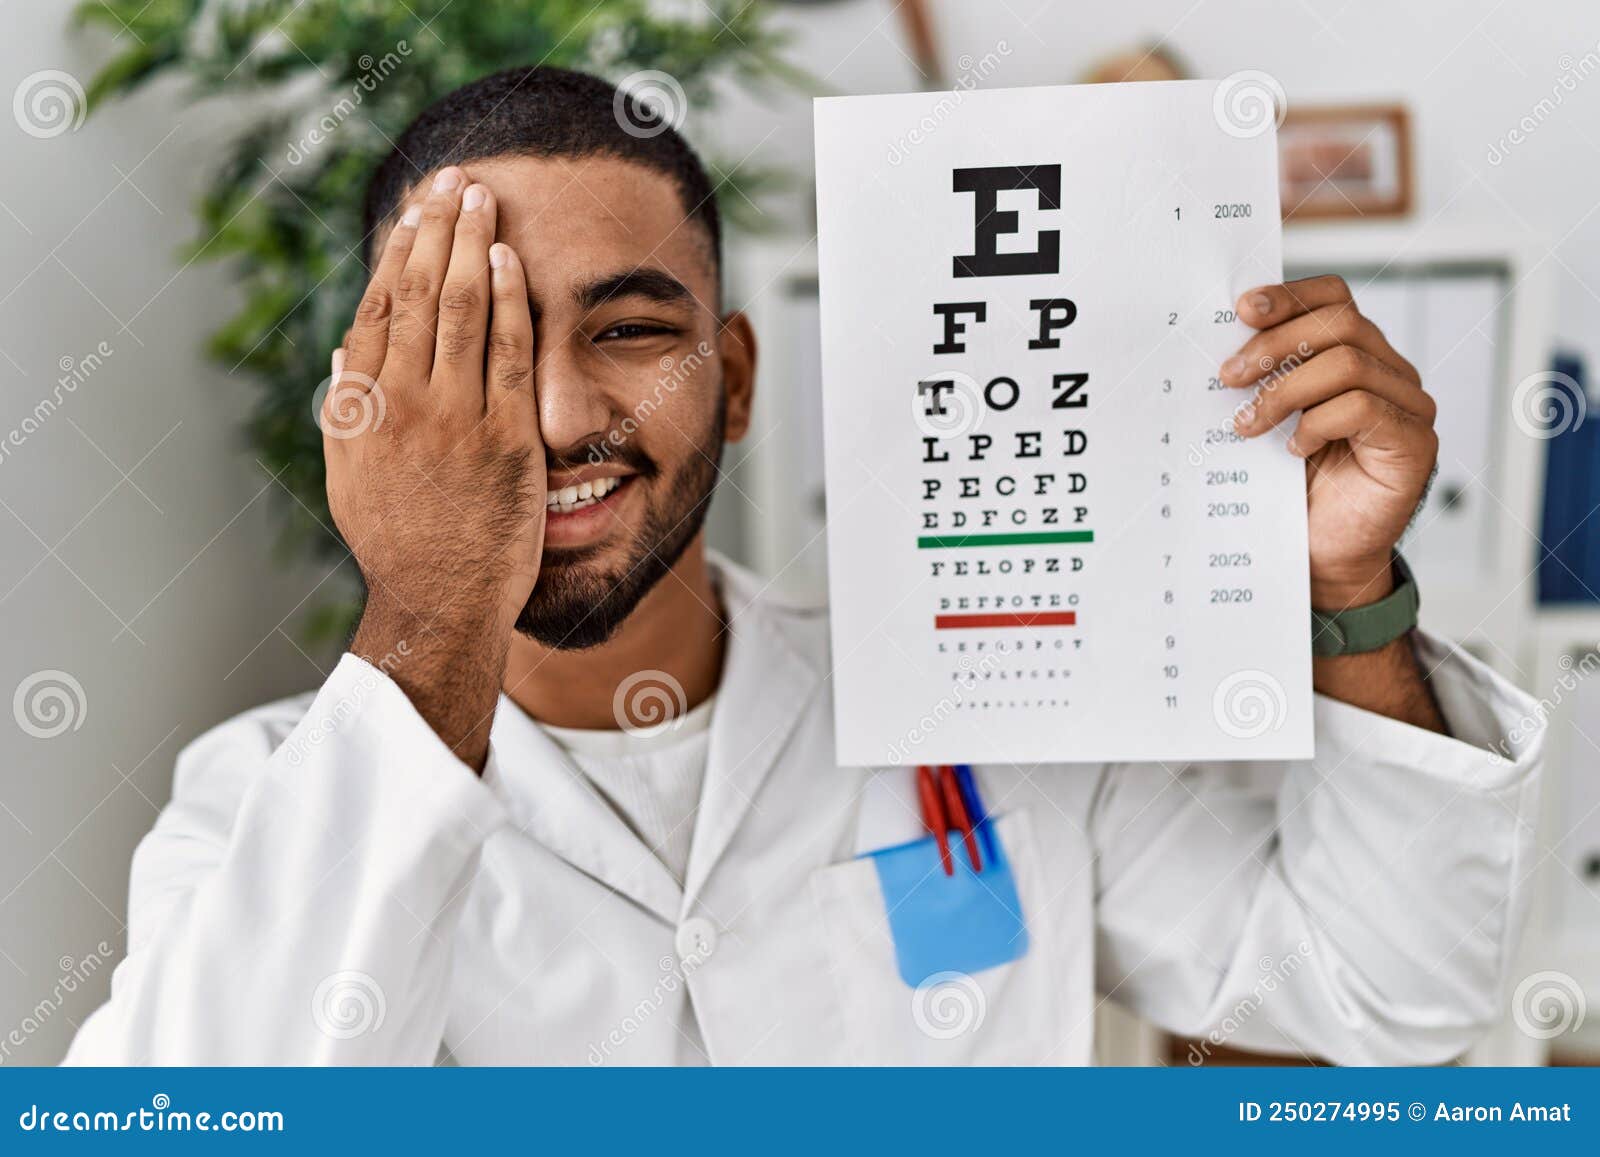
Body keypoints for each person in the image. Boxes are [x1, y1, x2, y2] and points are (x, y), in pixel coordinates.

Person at [67, 67, 1542, 1066]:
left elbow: (1387, 1000)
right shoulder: (264, 797)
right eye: (491, 349)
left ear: (740, 375)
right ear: (383, 407)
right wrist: (435, 603)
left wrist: (1352, 584)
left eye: (632, 330)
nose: (566, 414)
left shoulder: (979, 700)